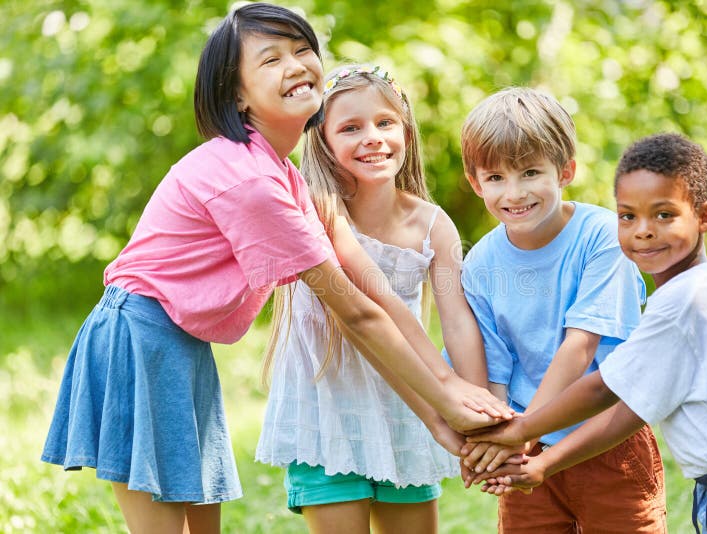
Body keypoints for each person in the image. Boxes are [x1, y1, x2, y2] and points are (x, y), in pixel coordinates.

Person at [40, 5, 509, 533]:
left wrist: (441, 403)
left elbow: (374, 292)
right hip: (137, 338)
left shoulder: (279, 174)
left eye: (302, 49)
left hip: (181, 343)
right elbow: (355, 314)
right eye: (271, 59)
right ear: (237, 95)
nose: (295, 65)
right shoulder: (253, 183)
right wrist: (447, 405)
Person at [468, 133, 707, 534]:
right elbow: (633, 408)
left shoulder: (685, 302)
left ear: (704, 216)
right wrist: (543, 462)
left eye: (664, 215)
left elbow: (603, 390)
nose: (643, 231)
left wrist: (521, 431)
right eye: (627, 216)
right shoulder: (689, 290)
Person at [256, 64, 491, 534]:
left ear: (406, 131)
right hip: (327, 411)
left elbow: (458, 322)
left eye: (385, 123)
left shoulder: (432, 225)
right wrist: (448, 389)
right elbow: (367, 310)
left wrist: (478, 408)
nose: (373, 138)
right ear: (323, 141)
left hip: (408, 406)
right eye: (351, 128)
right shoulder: (314, 211)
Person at [456, 87, 667, 532]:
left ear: (565, 171)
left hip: (605, 439)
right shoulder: (480, 265)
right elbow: (495, 368)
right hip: (524, 447)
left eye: (530, 172)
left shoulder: (603, 237)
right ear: (475, 183)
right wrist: (495, 442)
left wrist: (522, 433)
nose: (514, 193)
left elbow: (580, 346)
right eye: (495, 178)